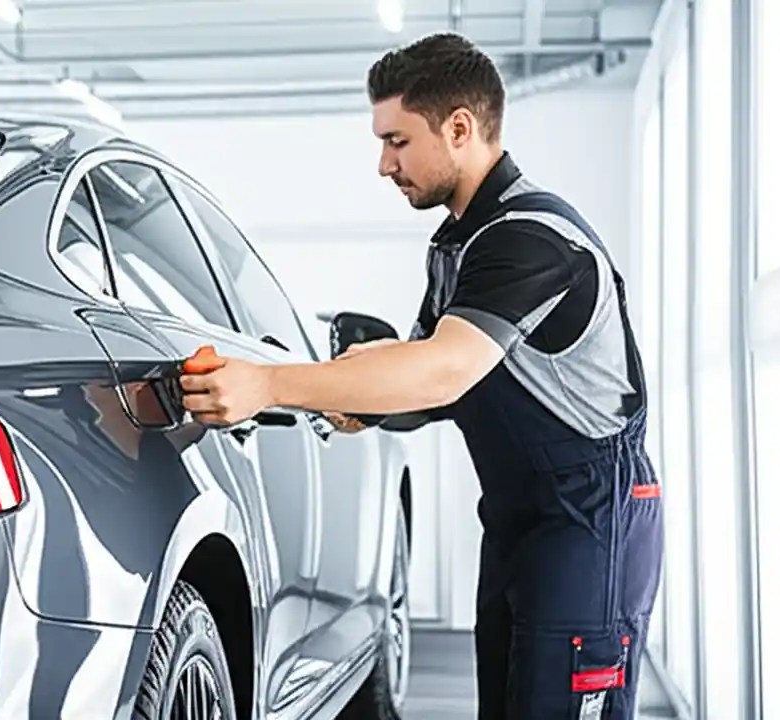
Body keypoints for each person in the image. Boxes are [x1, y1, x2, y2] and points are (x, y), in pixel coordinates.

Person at [180, 32, 663, 719]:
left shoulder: (529, 239)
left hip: (589, 517)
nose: (383, 164)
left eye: (397, 141)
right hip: (523, 519)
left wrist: (270, 382)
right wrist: (363, 402)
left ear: (459, 128)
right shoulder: (460, 243)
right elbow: (428, 384)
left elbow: (442, 371)